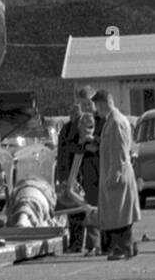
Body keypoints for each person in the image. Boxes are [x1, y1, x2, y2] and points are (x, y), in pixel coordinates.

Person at [92, 90, 140, 259]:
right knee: (119, 211)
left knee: (119, 213)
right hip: (117, 171)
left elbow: (118, 150)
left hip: (118, 173)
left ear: (103, 104)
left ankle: (123, 248)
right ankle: (128, 246)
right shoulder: (114, 121)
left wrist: (115, 174)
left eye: (97, 106)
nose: (96, 111)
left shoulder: (115, 122)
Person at [57, 87, 100, 253]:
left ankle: (89, 244)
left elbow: (92, 146)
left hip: (87, 173)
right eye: (83, 104)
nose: (86, 108)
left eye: (88, 104)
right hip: (70, 173)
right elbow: (64, 150)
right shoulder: (69, 127)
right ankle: (75, 244)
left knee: (87, 209)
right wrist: (62, 176)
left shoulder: (95, 123)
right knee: (72, 211)